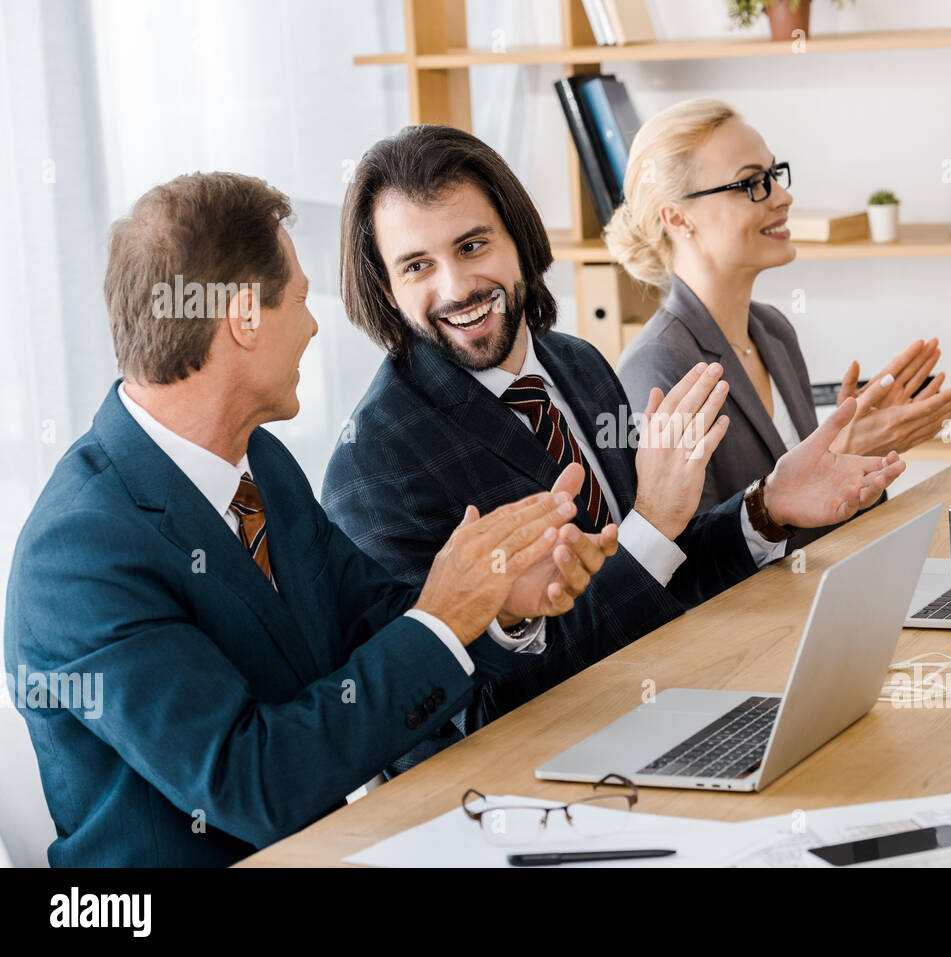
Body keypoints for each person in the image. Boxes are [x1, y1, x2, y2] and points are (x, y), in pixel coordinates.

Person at [3, 172, 612, 867]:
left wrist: (499, 601)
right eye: (299, 298)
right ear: (244, 320)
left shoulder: (262, 464)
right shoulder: (77, 554)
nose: (316, 323)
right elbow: (255, 783)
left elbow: (381, 622)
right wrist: (445, 617)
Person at [323, 124, 906, 736]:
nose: (456, 287)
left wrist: (766, 507)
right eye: (417, 266)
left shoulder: (575, 364)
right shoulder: (373, 468)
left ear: (519, 240)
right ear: (387, 292)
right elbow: (457, 723)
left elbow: (658, 569)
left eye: (472, 246)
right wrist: (651, 524)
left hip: (674, 706)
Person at [610, 98, 951, 517]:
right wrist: (839, 453)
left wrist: (854, 464)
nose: (783, 197)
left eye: (774, 175)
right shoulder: (657, 364)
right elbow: (686, 566)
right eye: (751, 183)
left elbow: (813, 533)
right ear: (677, 218)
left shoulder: (772, 331)